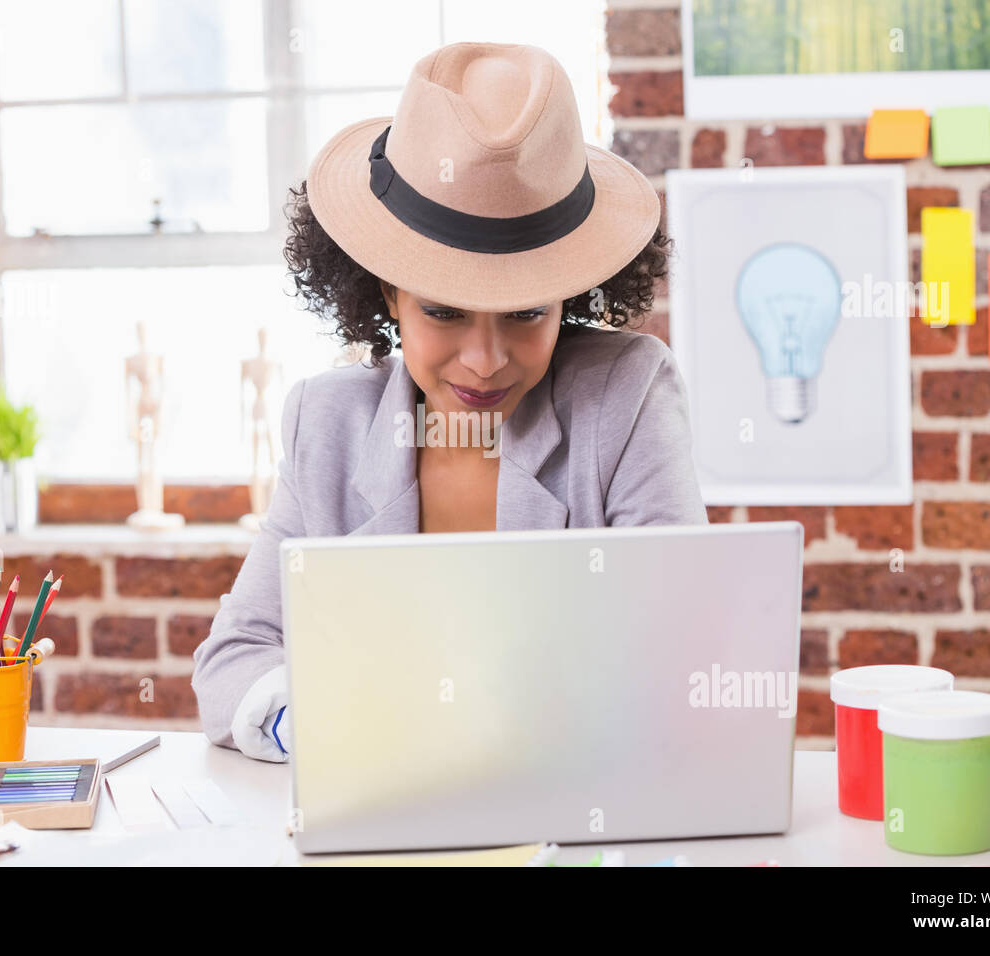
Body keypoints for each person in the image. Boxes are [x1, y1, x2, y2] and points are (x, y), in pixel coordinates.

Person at [192, 41, 707, 762]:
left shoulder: (626, 397)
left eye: (527, 314)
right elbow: (235, 658)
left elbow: (682, 645)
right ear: (387, 292)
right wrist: (313, 728)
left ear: (571, 299)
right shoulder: (328, 424)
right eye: (444, 312)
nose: (486, 361)